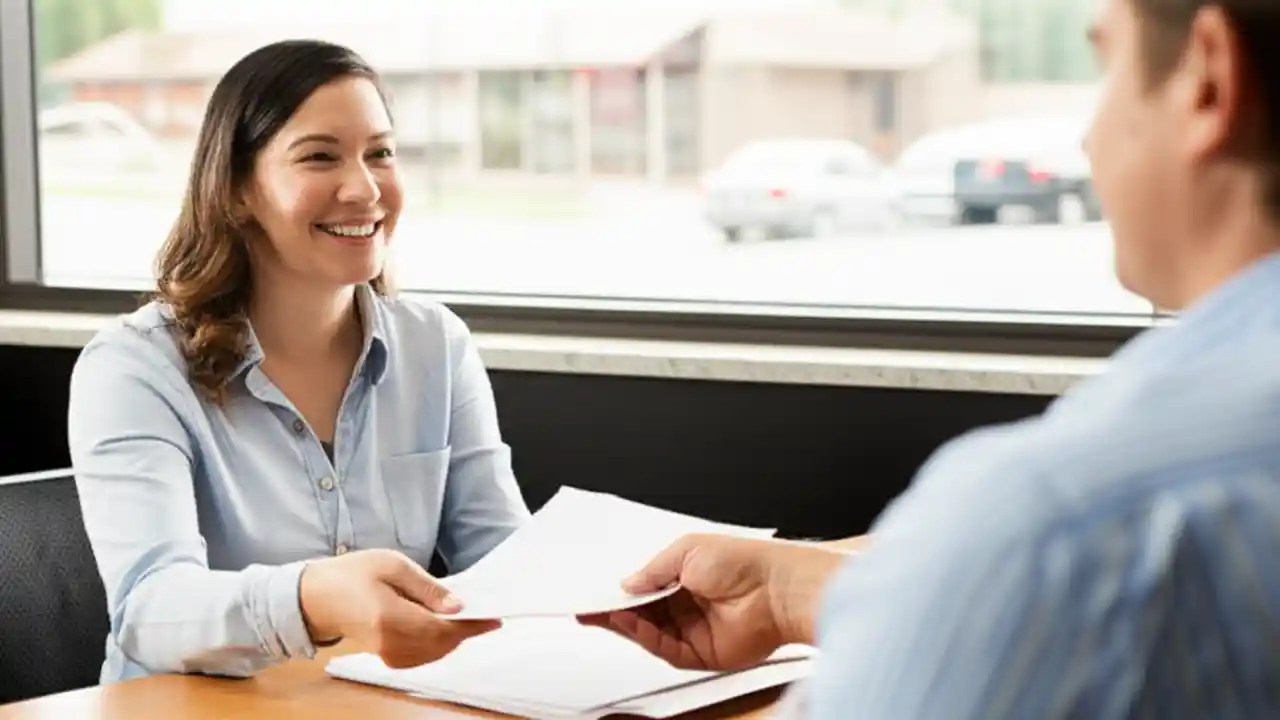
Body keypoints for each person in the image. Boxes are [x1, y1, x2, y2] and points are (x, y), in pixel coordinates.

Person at [583, 0, 1280, 716]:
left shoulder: (1064, 526)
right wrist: (792, 590)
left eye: (1111, 69)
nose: (1088, 138)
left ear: (1208, 79)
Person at [67, 40, 530, 683]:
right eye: (319, 157)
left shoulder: (436, 345)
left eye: (381, 153)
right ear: (235, 192)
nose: (364, 187)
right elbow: (151, 609)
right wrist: (314, 596)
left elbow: (509, 566)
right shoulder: (132, 367)